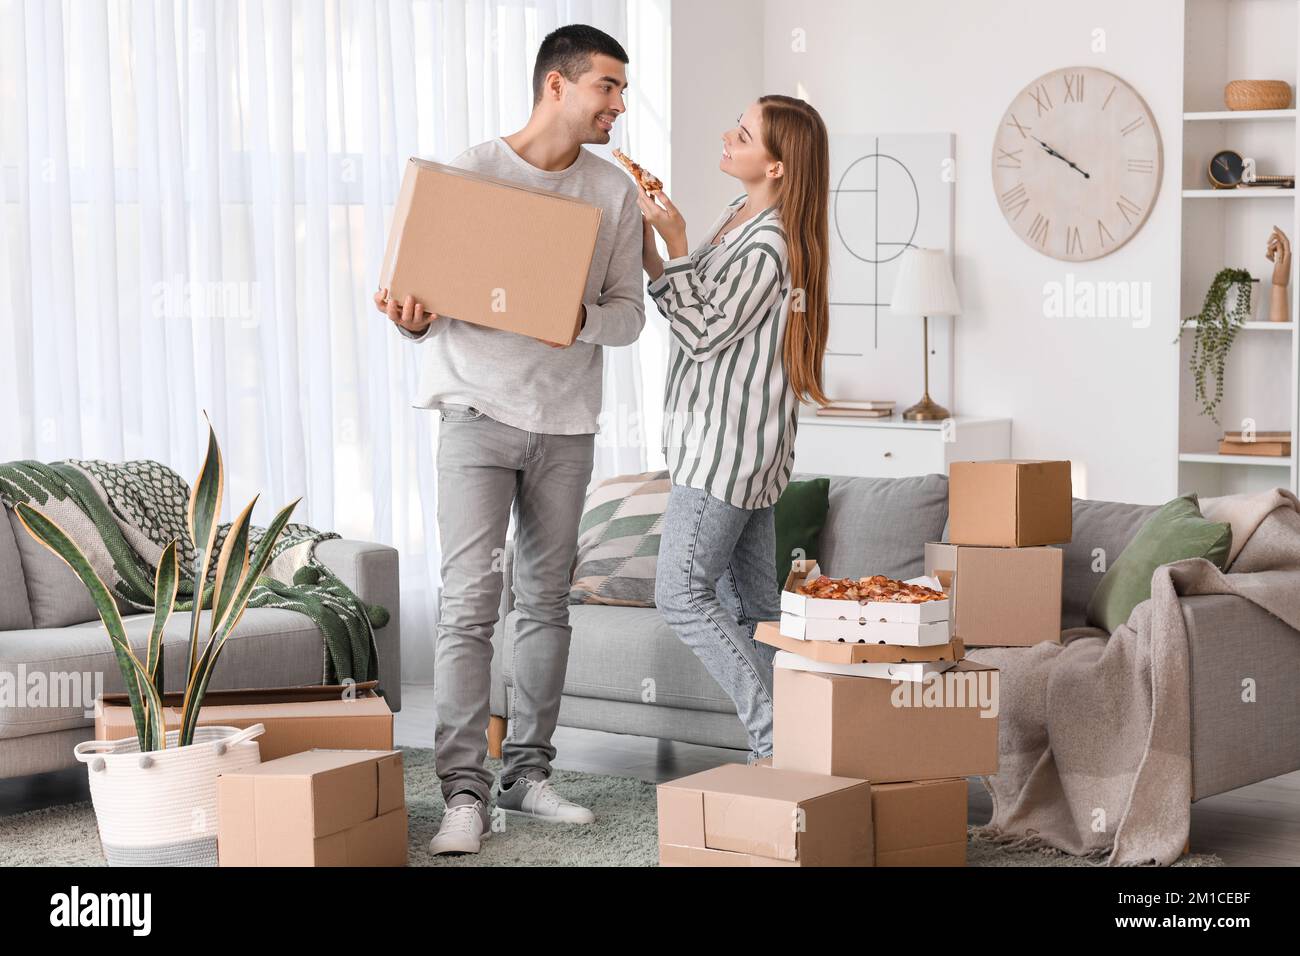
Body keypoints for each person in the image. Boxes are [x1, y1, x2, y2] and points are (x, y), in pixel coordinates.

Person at [375, 24, 645, 855]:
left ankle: (527, 775)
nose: (618, 105)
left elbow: (629, 316)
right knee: (468, 605)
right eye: (607, 87)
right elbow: (424, 302)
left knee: (546, 604)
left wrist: (578, 317)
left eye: (622, 90)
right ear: (556, 86)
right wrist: (410, 320)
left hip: (566, 426)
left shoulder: (613, 192)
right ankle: (464, 792)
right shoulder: (470, 173)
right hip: (476, 416)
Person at [640, 95, 830, 762]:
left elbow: (703, 334)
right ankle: (794, 753)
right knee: (753, 609)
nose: (728, 134)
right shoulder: (738, 216)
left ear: (776, 166)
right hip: (737, 451)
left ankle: (775, 737)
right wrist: (658, 247)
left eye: (743, 134)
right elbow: (696, 301)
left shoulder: (768, 246)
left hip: (724, 452)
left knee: (682, 594)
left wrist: (672, 242)